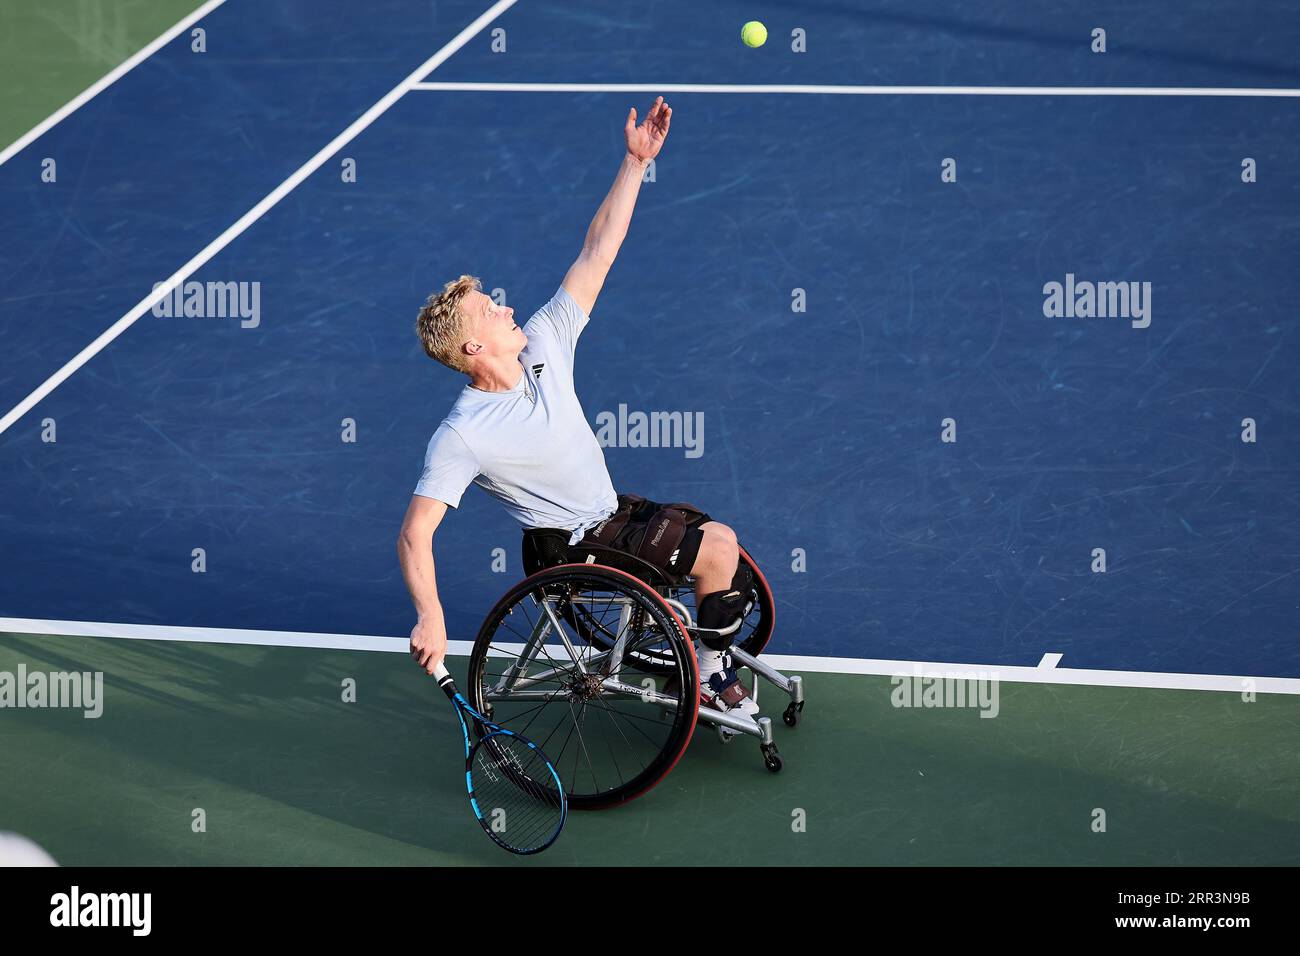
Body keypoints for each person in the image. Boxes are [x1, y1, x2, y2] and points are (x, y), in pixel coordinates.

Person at [397, 96, 757, 716]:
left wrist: (635, 163)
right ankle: (703, 671)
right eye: (491, 311)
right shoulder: (463, 434)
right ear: (474, 346)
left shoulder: (544, 343)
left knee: (721, 547)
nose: (507, 307)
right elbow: (414, 533)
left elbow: (597, 251)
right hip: (573, 547)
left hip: (611, 512)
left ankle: (700, 648)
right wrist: (431, 615)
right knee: (720, 548)